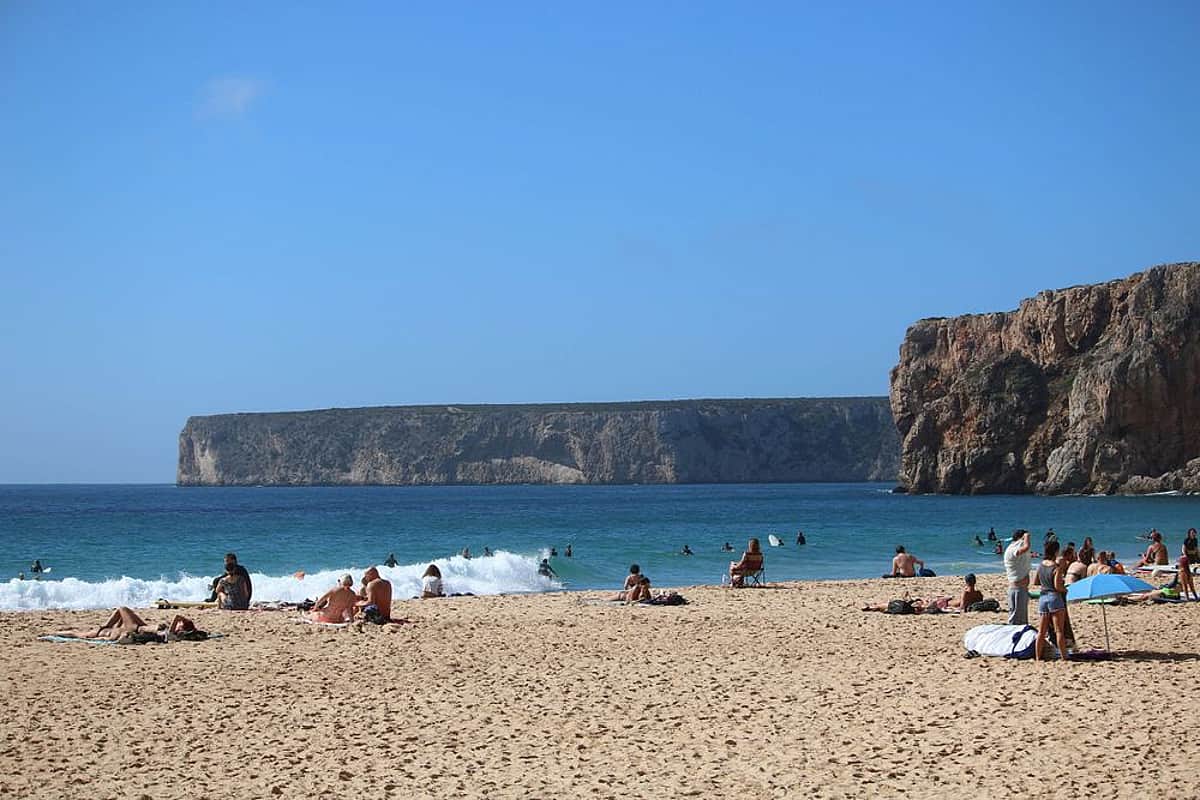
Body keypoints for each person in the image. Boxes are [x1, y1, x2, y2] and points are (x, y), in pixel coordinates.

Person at [1034, 540, 1069, 662]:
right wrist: (1066, 590)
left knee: (1041, 631)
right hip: (1054, 597)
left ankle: (1038, 657)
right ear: (1055, 551)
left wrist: (1045, 582)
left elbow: (1036, 582)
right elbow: (1057, 586)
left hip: (1043, 597)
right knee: (1059, 630)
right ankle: (1064, 657)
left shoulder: (1041, 565)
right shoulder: (1056, 567)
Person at [1003, 530, 1032, 626]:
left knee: (1022, 620)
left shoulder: (1014, 548)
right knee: (1015, 620)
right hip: (1017, 590)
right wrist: (1026, 537)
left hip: (1021, 589)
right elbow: (1026, 548)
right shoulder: (1012, 550)